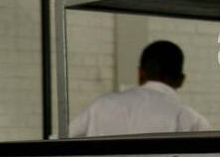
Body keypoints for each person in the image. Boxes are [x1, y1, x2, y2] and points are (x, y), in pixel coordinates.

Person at [68, 40, 209, 137]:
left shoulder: (101, 105)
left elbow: (61, 141)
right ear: (181, 80)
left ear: (140, 73)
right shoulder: (192, 120)